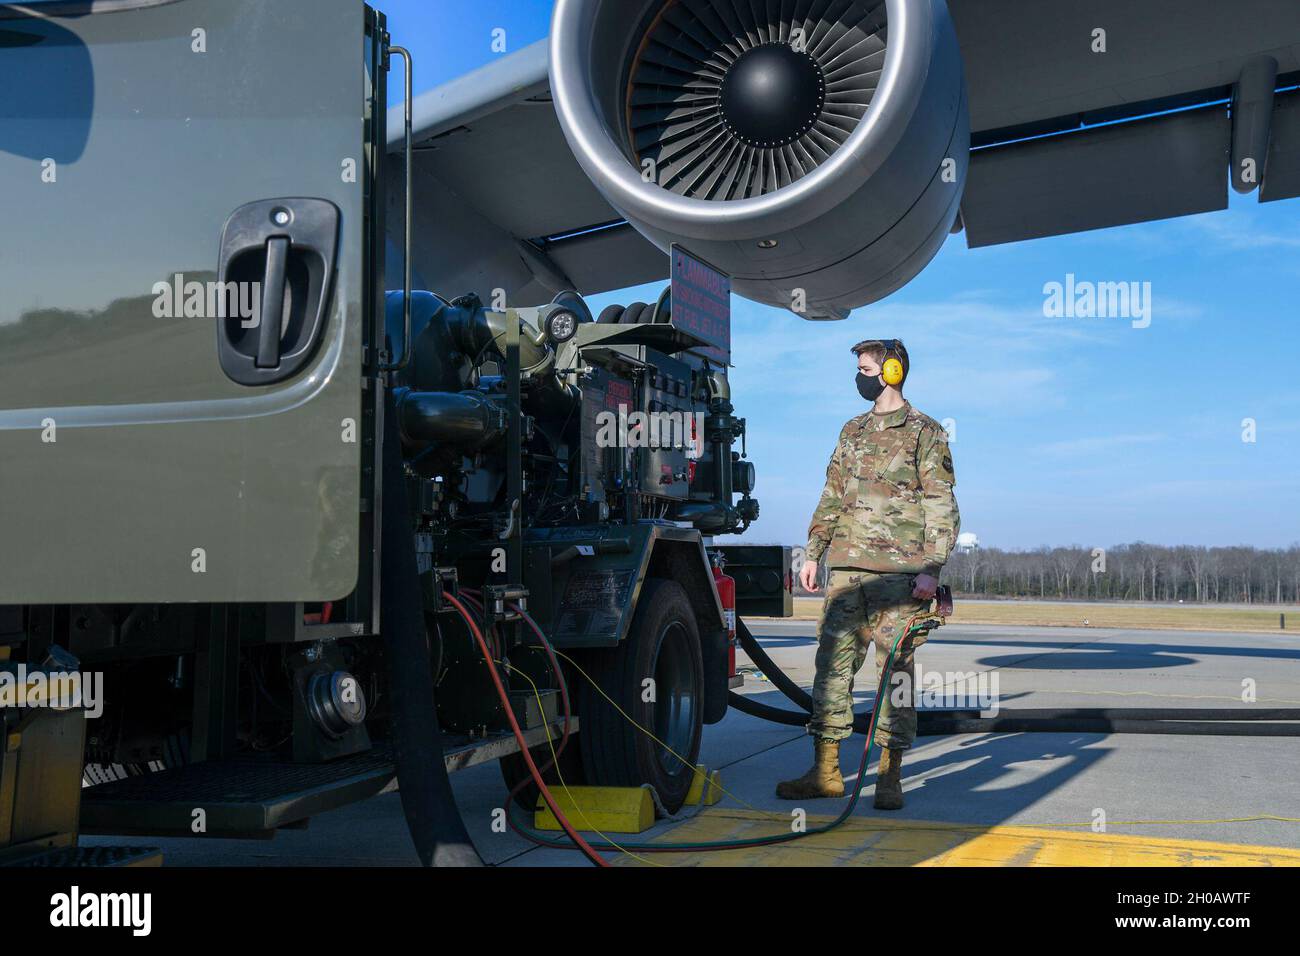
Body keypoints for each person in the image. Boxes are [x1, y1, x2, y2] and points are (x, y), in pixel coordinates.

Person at [776, 339, 959, 810]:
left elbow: (941, 504)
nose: (859, 377)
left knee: (895, 675)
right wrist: (814, 552)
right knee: (831, 670)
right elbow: (832, 493)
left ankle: (890, 776)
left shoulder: (925, 432)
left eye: (865, 368)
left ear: (891, 372)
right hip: (846, 572)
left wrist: (931, 569)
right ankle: (826, 772)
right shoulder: (852, 430)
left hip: (901, 578)